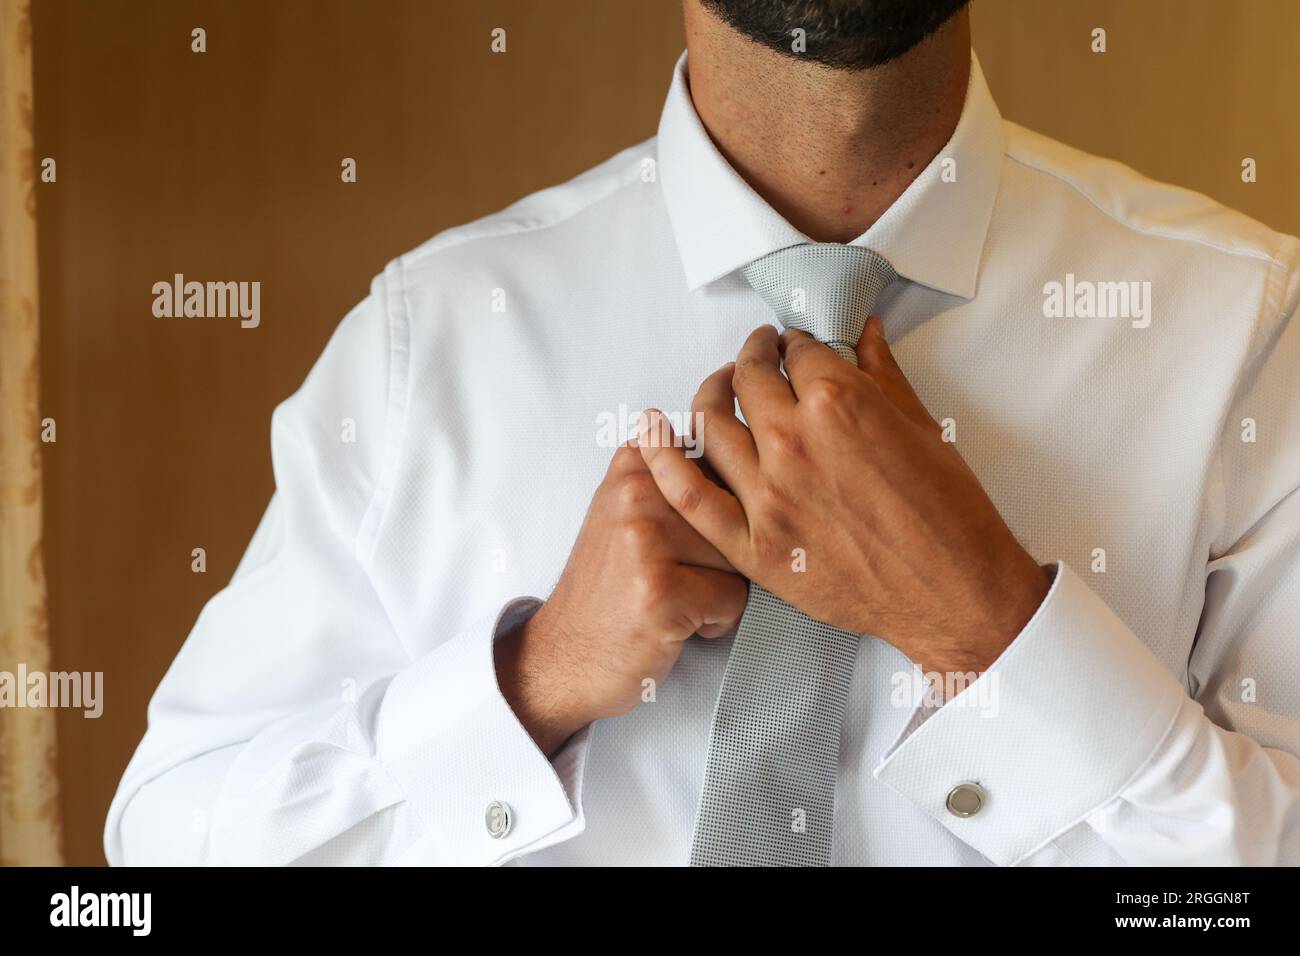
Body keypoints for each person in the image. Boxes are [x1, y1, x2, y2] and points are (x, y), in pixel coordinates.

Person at [107, 0, 1300, 866]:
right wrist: (531, 681)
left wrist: (984, 624)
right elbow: (163, 849)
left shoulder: (1247, 326)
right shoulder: (433, 339)